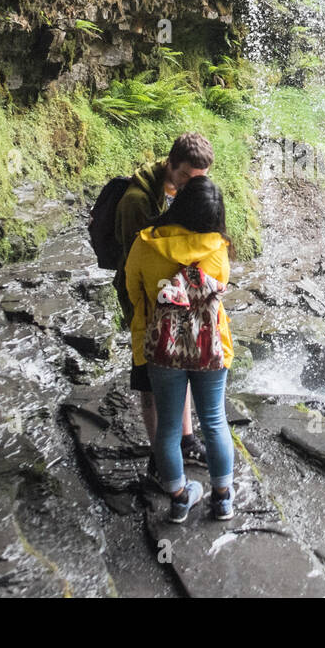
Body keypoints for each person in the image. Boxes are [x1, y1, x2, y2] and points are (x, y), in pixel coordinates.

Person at [126, 175, 236, 522]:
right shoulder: (217, 248)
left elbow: (134, 291)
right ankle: (222, 499)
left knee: (170, 426)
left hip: (163, 348)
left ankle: (178, 497)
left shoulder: (145, 244)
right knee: (215, 420)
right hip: (210, 347)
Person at [114, 133, 215, 465]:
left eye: (197, 180)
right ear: (170, 163)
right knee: (149, 378)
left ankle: (184, 439)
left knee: (178, 364)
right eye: (185, 176)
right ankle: (160, 457)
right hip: (145, 303)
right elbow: (133, 266)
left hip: (177, 298)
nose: (190, 186)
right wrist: (144, 318)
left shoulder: (182, 189)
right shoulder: (136, 202)